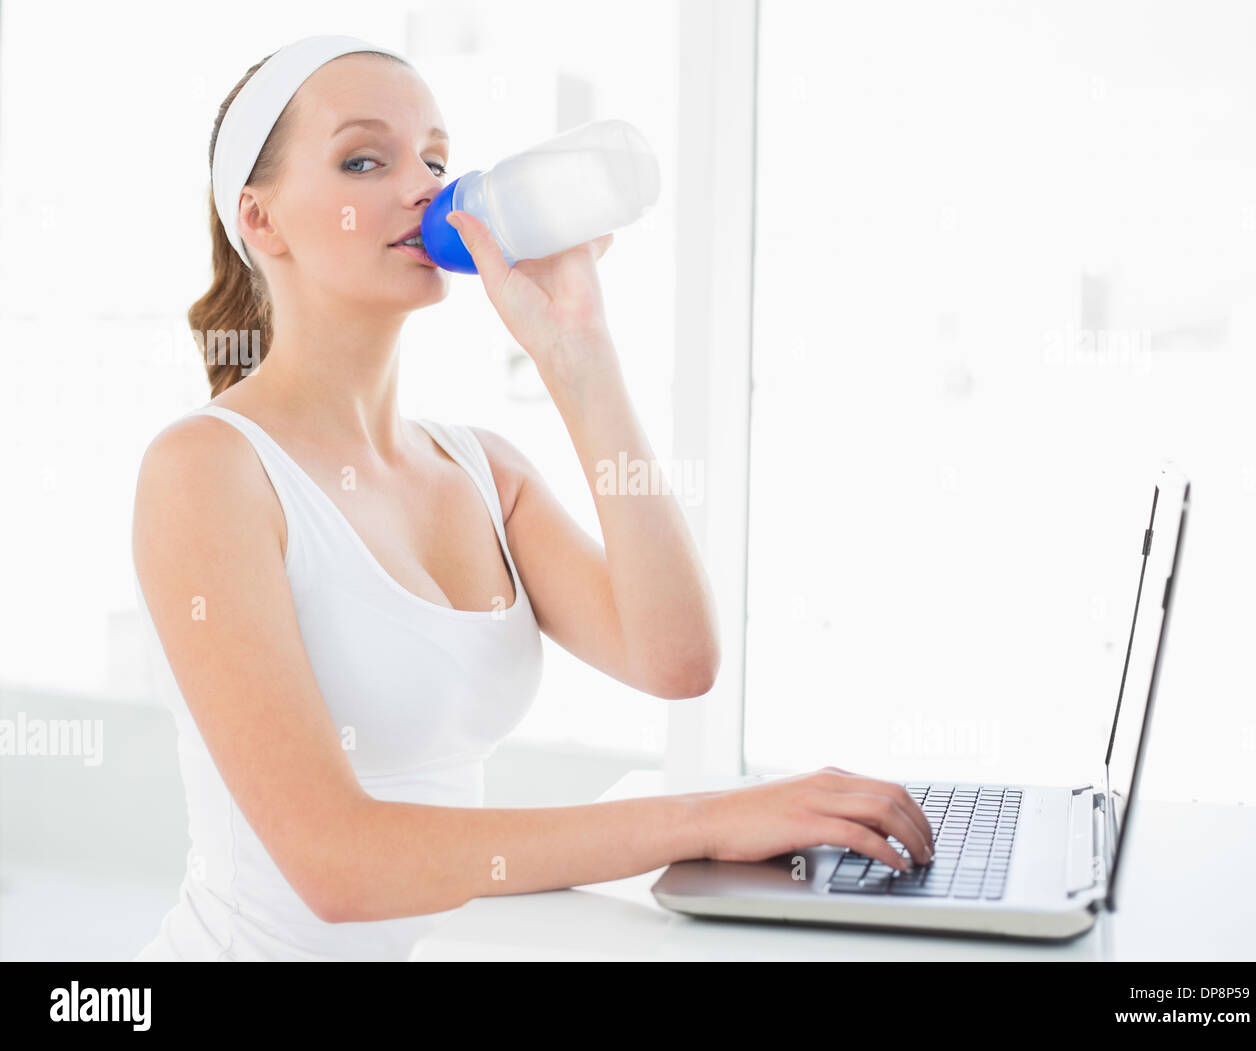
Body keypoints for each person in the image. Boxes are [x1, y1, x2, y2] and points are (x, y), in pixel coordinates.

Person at [131, 34, 934, 961]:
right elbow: (339, 863)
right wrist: (702, 820)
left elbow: (675, 657)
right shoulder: (209, 470)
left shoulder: (483, 470)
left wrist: (581, 359)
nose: (422, 186)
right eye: (365, 159)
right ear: (262, 220)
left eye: (435, 157)